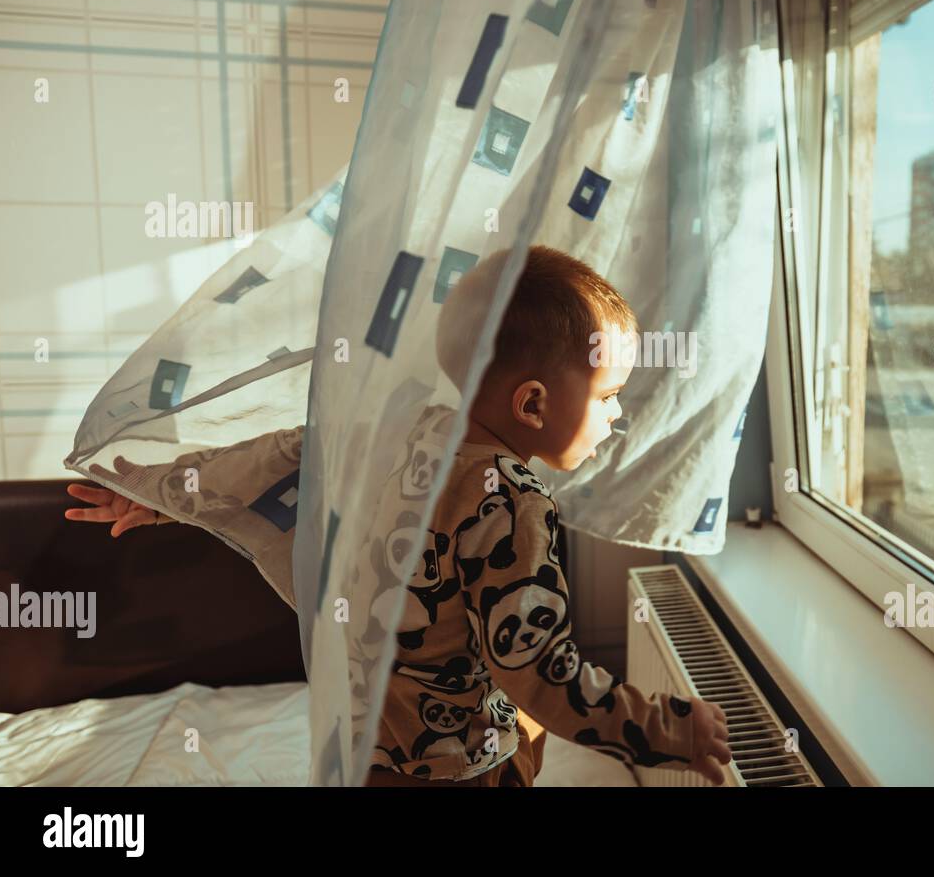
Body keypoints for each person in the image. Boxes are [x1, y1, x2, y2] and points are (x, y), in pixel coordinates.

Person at [66, 245, 731, 787]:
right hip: (461, 767)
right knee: (519, 734)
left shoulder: (394, 431)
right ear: (532, 404)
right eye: (609, 395)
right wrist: (667, 726)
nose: (616, 415)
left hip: (371, 756)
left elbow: (263, 462)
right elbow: (542, 676)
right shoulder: (512, 502)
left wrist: (157, 496)